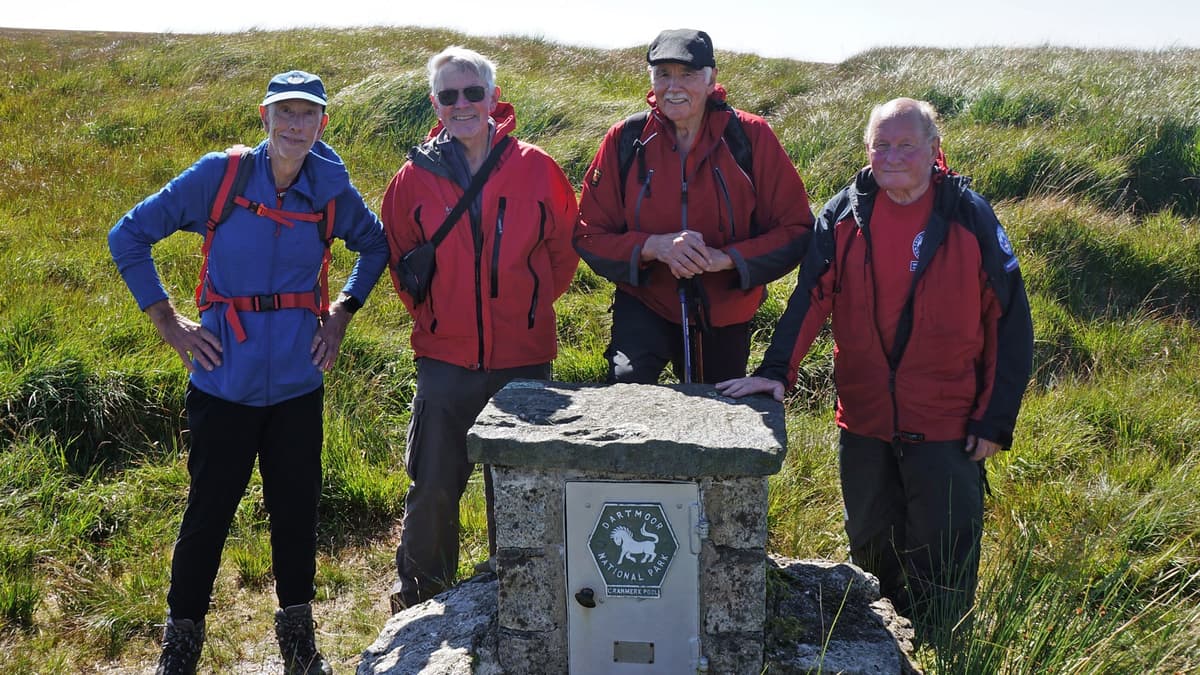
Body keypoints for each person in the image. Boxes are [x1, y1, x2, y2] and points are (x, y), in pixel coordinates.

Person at [717, 98, 1034, 643]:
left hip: (949, 424)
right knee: (870, 543)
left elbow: (1010, 323)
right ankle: (883, 645)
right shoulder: (844, 212)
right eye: (880, 145)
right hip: (864, 420)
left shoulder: (968, 216)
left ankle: (941, 646)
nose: (891, 156)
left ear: (934, 150)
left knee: (943, 551)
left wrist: (995, 418)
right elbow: (809, 298)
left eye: (905, 145)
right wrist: (776, 371)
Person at [108, 70, 389, 675]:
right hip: (222, 382)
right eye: (284, 112)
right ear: (264, 117)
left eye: (307, 114)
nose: (295, 125)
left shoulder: (331, 189)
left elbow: (376, 245)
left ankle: (298, 642)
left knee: (295, 510)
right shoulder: (222, 175)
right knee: (208, 511)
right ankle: (181, 641)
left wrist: (341, 315)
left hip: (296, 385)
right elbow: (128, 235)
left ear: (323, 123)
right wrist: (167, 321)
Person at [381, 46, 580, 611]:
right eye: (449, 95)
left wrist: (529, 307)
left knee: (515, 489)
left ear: (494, 98)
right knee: (434, 488)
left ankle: (516, 597)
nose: (462, 104)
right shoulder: (410, 179)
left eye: (473, 93)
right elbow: (401, 262)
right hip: (444, 361)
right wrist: (436, 322)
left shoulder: (537, 166)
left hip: (523, 359)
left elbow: (564, 249)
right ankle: (423, 600)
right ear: (434, 103)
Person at [574, 28, 815, 385]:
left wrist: (726, 259)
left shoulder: (749, 136)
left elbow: (796, 229)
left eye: (687, 74)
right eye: (663, 74)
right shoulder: (625, 138)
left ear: (711, 78)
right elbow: (588, 233)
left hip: (725, 309)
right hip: (645, 302)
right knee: (628, 389)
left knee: (718, 411)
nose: (674, 86)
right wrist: (652, 248)